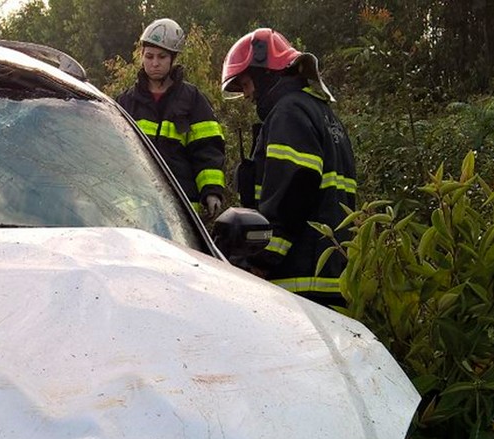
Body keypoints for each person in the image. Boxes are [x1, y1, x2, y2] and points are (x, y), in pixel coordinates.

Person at [221, 28, 356, 308]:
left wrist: (261, 259)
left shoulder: (288, 113)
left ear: (263, 73)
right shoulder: (323, 115)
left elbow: (293, 190)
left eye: (246, 85)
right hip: (333, 276)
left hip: (300, 282)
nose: (247, 96)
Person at [117, 19, 226, 221]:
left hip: (182, 208)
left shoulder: (192, 99)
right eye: (149, 56)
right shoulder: (126, 101)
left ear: (173, 59)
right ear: (141, 56)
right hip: (136, 208)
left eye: (162, 57)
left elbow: (208, 149)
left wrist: (211, 191)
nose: (155, 63)